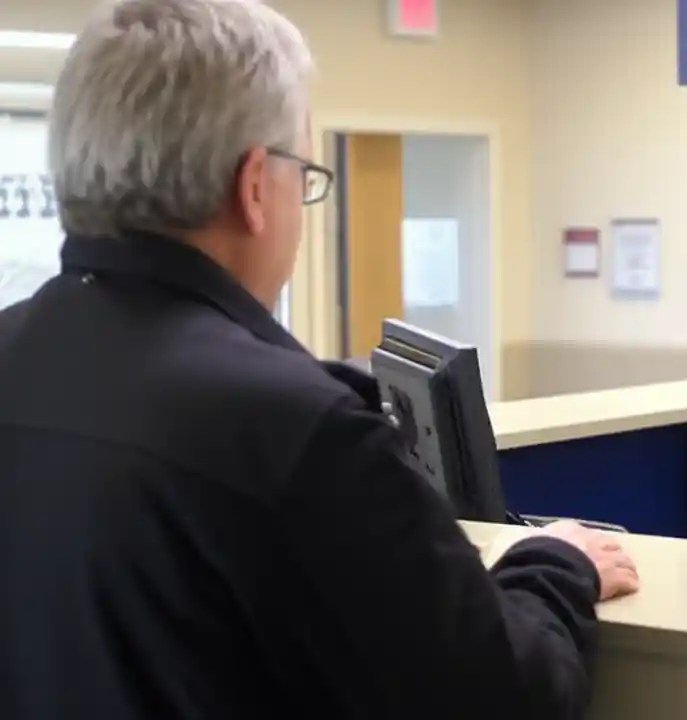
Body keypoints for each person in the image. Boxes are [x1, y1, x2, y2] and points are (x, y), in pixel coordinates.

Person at [0, 1, 637, 718]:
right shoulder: (291, 428)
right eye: (302, 177)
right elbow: (502, 697)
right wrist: (553, 567)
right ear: (253, 188)